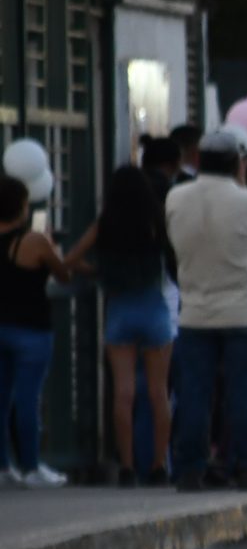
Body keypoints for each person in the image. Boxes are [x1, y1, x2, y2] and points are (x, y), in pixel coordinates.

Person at [164, 128, 247, 491]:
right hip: (242, 310)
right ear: (237, 163)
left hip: (194, 309)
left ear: (198, 160)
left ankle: (190, 468)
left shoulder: (175, 198)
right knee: (244, 391)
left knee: (194, 393)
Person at [65, 166, 177, 484]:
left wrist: (98, 273)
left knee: (123, 394)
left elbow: (71, 259)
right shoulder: (156, 223)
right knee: (158, 393)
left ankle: (126, 466)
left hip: (119, 310)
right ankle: (158, 465)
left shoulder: (105, 224)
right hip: (154, 309)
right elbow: (174, 260)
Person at [0, 174, 70, 486]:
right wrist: (52, 244)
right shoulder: (33, 241)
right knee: (28, 398)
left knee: (1, 399)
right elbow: (63, 273)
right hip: (31, 329)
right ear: (21, 207)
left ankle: (3, 467)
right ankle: (31, 466)